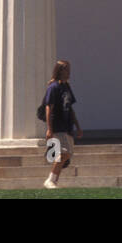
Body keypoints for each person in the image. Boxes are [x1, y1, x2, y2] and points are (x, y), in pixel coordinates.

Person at [42, 60, 81, 189]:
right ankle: (50, 180)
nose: (69, 72)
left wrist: (77, 126)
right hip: (58, 125)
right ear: (59, 71)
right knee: (64, 153)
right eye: (66, 69)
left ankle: (54, 180)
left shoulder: (66, 87)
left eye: (69, 69)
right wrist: (49, 129)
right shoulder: (53, 87)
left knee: (68, 154)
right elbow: (49, 108)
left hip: (67, 125)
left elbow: (70, 108)